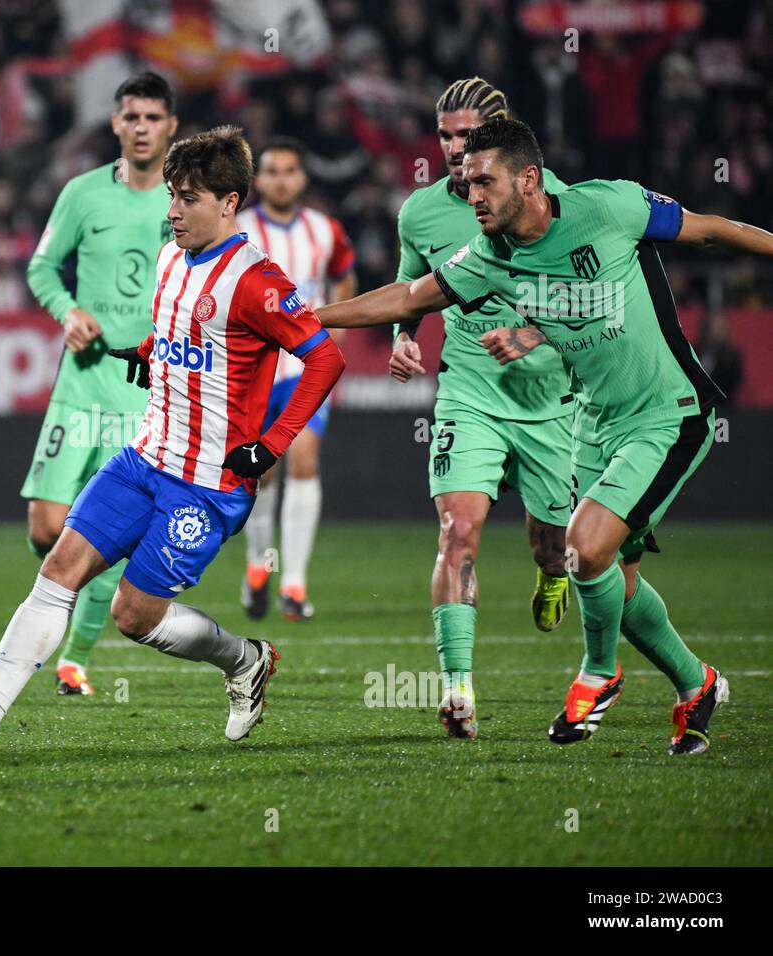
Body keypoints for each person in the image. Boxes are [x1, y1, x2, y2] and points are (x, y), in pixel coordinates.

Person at [316, 117, 773, 755]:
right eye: (466, 182)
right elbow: (408, 298)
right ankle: (698, 685)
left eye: (485, 181)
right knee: (618, 583)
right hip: (593, 424)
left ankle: (598, 673)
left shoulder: (609, 205)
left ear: (529, 179)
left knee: (584, 550)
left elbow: (714, 230)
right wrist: (307, 317)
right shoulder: (489, 257)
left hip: (667, 412)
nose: (471, 195)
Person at [0, 126, 344, 754]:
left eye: (188, 198)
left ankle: (244, 659)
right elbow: (187, 340)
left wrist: (271, 445)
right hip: (145, 457)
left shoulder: (256, 281)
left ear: (228, 202)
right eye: (171, 195)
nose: (172, 211)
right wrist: (149, 352)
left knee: (133, 616)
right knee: (60, 566)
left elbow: (325, 359)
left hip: (208, 483)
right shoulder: (171, 257)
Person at [387, 78, 574, 739]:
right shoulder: (420, 213)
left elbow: (595, 298)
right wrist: (402, 338)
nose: (454, 148)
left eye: (467, 135)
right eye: (444, 135)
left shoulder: (549, 204)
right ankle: (458, 690)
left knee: (554, 549)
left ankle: (552, 574)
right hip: (469, 390)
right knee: (457, 534)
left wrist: (535, 335)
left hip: (550, 398)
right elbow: (411, 291)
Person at [22, 72, 179, 696]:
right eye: (131, 116)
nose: (140, 128)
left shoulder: (182, 200)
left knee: (111, 525)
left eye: (152, 118)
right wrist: (68, 312)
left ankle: (75, 657)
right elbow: (40, 266)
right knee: (44, 526)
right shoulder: (82, 194)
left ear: (171, 127)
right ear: (115, 123)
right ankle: (72, 587)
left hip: (146, 390)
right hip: (80, 386)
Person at [236, 136, 357, 622]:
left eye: (289, 170)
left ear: (303, 178)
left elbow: (345, 274)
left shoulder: (324, 230)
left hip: (302, 370)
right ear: (257, 179)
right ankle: (258, 564)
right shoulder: (237, 229)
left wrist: (338, 329)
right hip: (251, 372)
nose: (280, 179)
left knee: (303, 459)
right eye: (271, 170)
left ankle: (294, 584)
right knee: (260, 472)